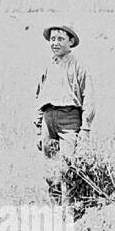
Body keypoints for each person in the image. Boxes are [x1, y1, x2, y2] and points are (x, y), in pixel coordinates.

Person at [33, 22, 94, 161]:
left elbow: (88, 97)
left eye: (60, 39)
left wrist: (85, 129)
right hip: (47, 120)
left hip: (69, 120)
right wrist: (38, 130)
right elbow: (39, 95)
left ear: (71, 41)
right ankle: (54, 184)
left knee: (69, 164)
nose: (55, 43)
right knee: (50, 167)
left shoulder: (79, 66)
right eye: (53, 39)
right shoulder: (47, 66)